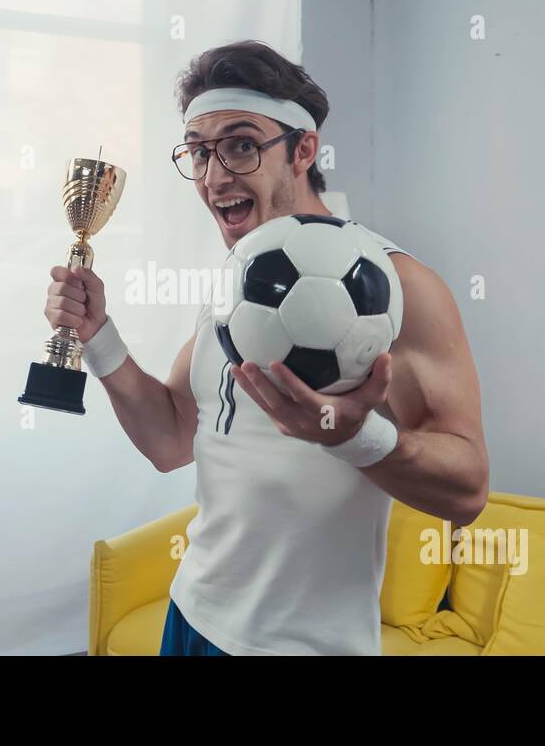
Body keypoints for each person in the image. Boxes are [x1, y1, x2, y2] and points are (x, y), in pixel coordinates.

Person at [44, 40, 489, 655]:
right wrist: (99, 337)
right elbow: (171, 440)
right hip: (192, 615)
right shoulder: (240, 280)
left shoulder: (396, 285)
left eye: (241, 145)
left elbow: (467, 490)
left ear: (304, 149)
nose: (214, 176)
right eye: (199, 152)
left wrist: (347, 435)